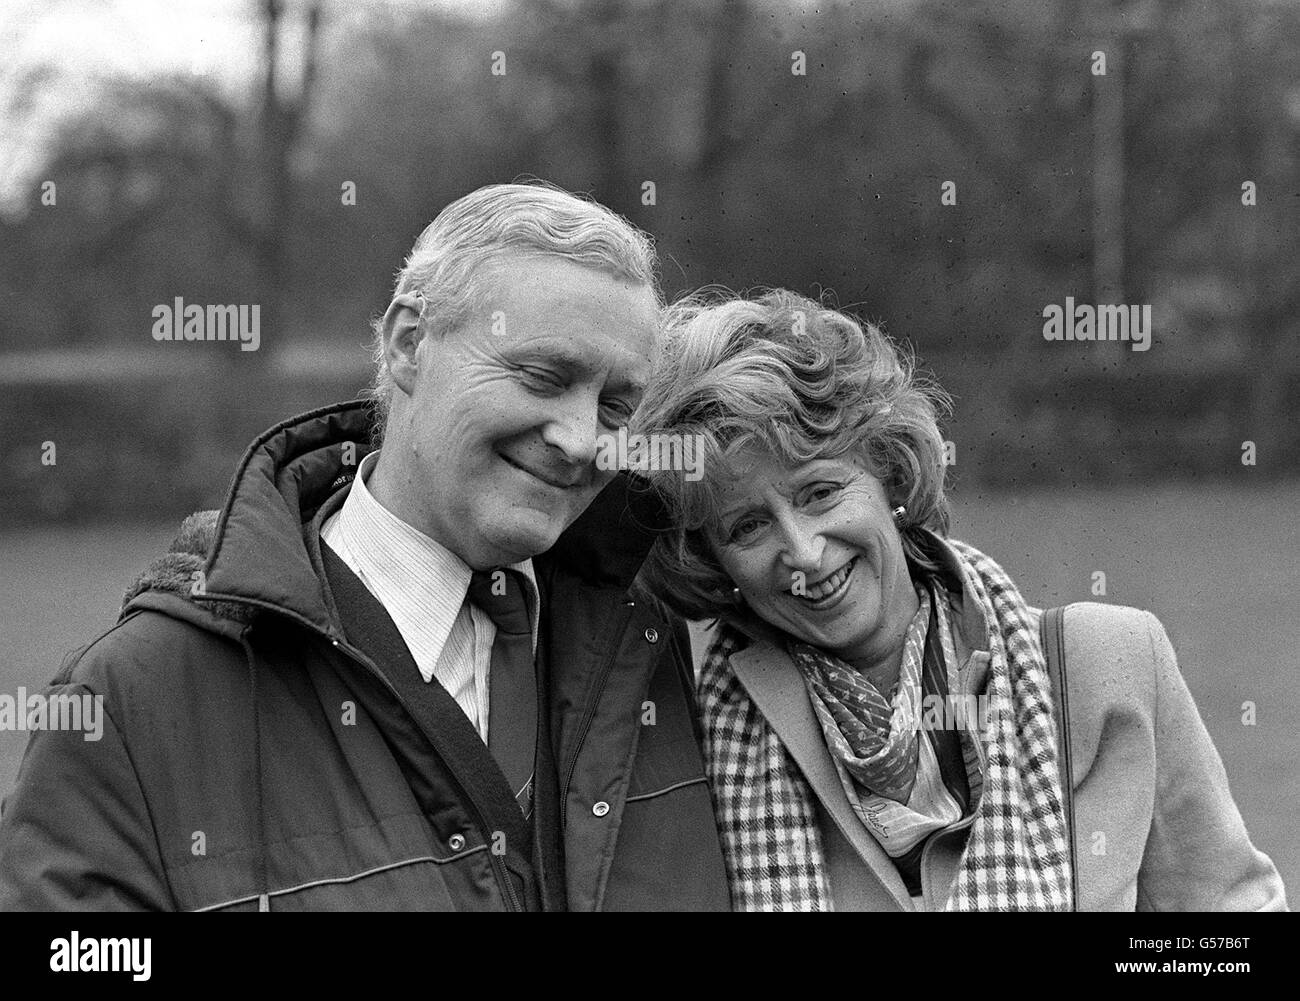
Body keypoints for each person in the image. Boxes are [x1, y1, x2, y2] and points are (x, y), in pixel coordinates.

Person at [0, 182, 730, 911]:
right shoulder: (135, 702)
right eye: (543, 377)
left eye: (614, 406)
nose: (580, 440)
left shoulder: (655, 649)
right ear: (409, 343)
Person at [630, 288, 1287, 911]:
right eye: (747, 526)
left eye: (820, 491)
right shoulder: (691, 732)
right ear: (712, 559)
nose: (802, 551)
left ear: (888, 467)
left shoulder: (1110, 663)